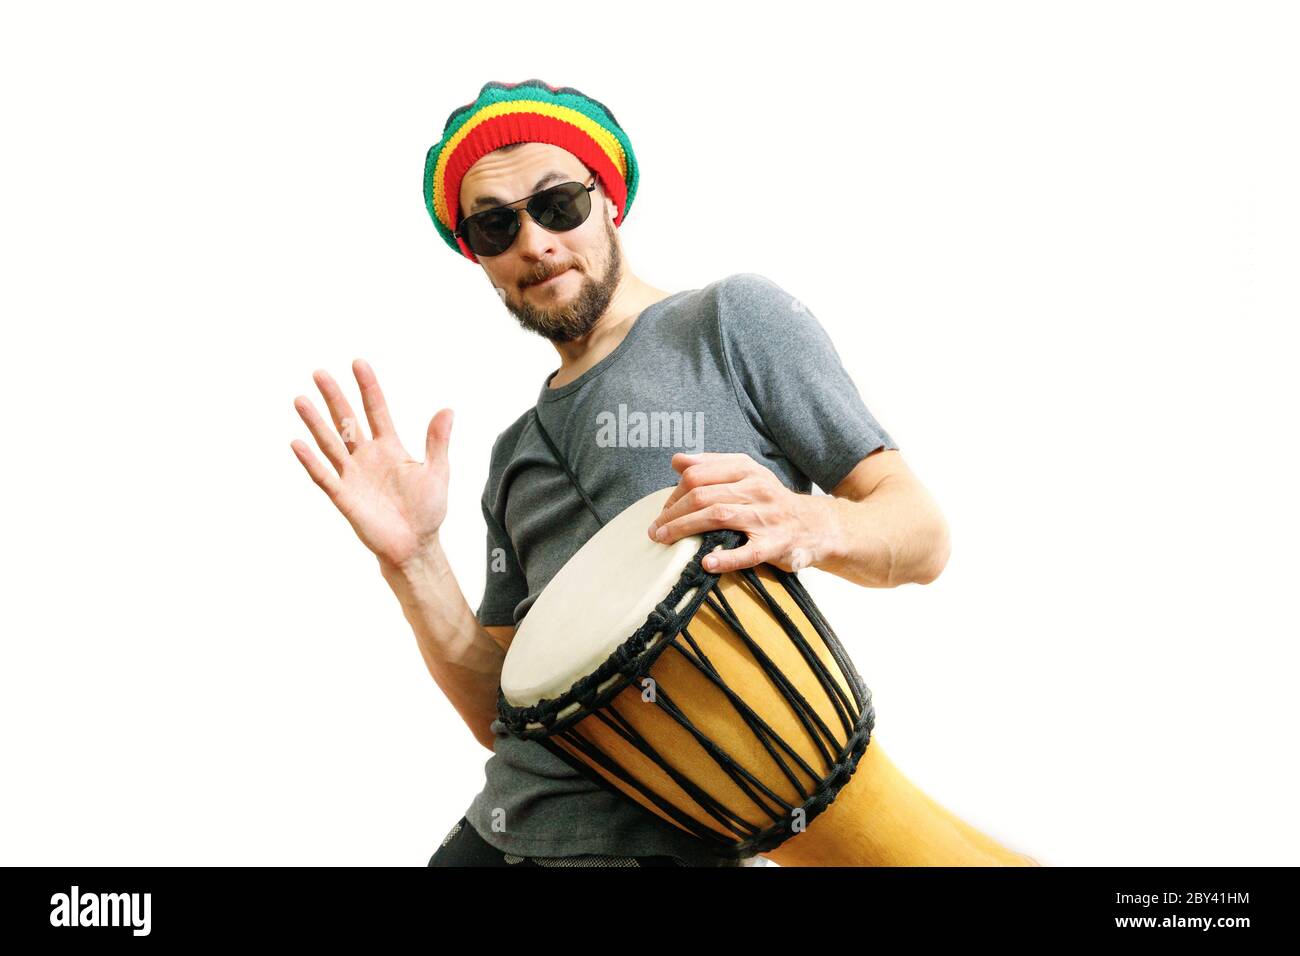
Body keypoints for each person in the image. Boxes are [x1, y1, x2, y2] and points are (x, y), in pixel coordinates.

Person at [290, 78, 951, 867]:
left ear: (608, 201)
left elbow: (921, 534)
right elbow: (511, 711)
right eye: (496, 227)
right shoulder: (513, 455)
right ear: (480, 258)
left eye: (558, 204)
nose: (534, 242)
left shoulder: (733, 322)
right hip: (489, 841)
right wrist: (413, 562)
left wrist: (813, 523)